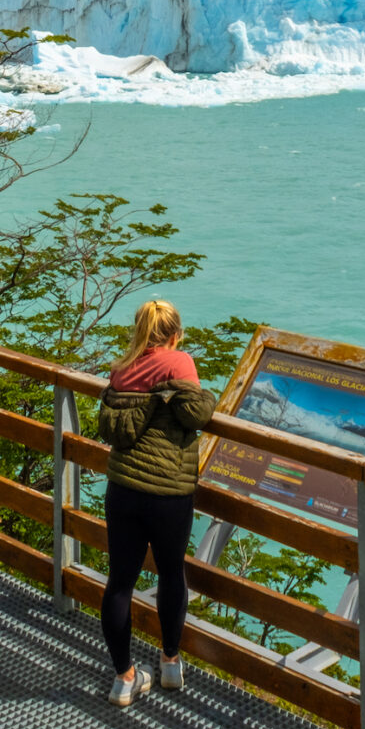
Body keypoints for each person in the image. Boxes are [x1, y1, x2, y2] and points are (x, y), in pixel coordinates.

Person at [97, 299, 217, 708]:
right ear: (174, 334)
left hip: (123, 489)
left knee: (119, 582)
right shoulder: (178, 362)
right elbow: (197, 413)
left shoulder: (120, 369)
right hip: (168, 492)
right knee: (170, 575)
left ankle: (124, 678)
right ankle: (169, 664)